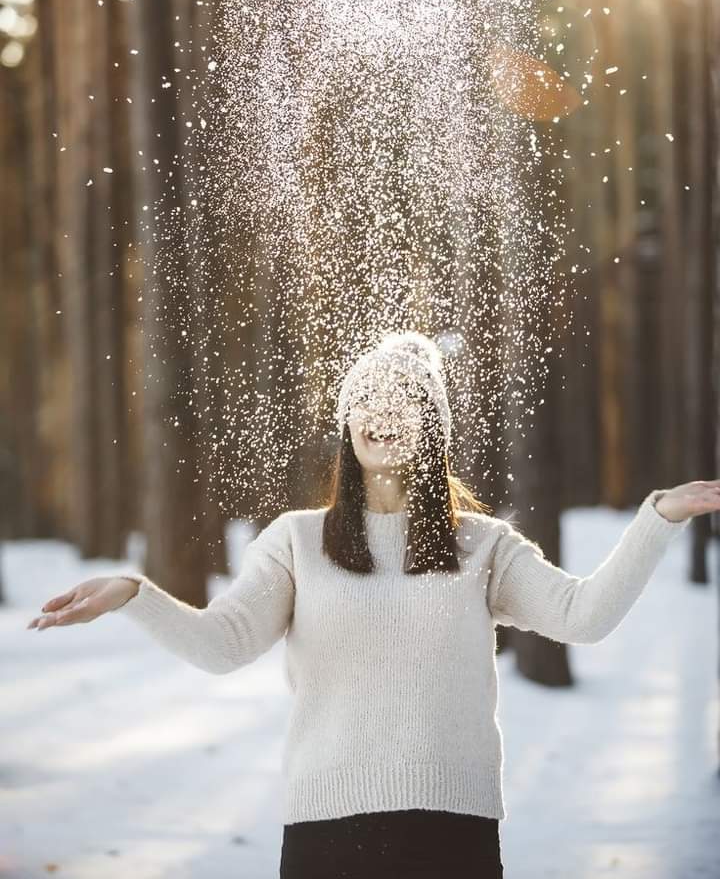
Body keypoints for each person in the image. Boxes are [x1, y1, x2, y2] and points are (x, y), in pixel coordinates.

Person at [28, 331, 716, 879]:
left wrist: (661, 516)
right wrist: (133, 594)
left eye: (405, 400)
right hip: (328, 830)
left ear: (432, 427)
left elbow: (582, 617)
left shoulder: (482, 546)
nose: (383, 413)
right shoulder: (295, 542)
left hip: (455, 826)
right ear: (345, 421)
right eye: (368, 398)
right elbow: (223, 645)